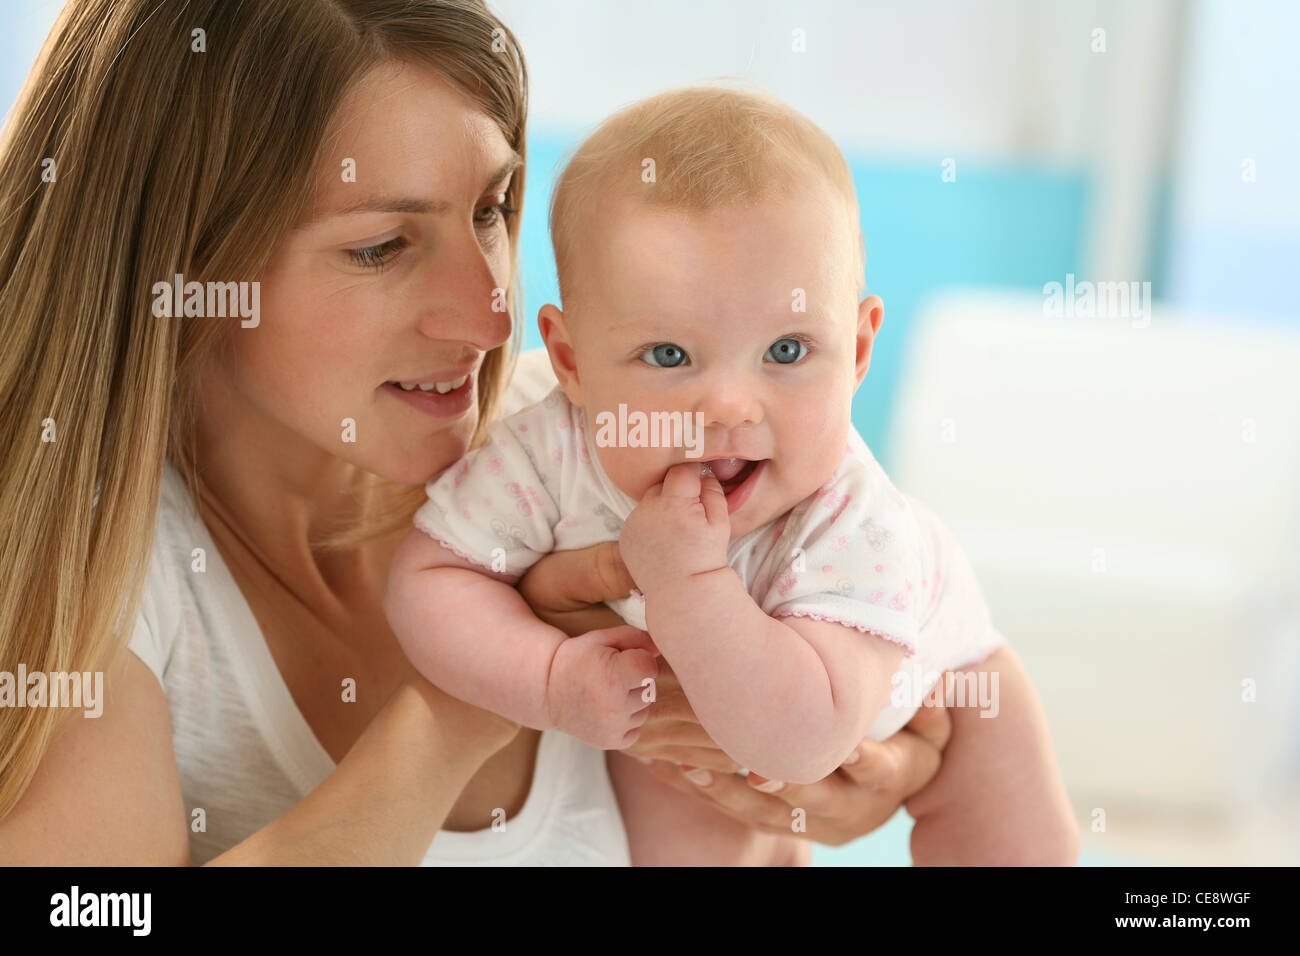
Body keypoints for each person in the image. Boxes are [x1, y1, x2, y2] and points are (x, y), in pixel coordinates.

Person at [0, 0, 1027, 866]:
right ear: (184, 265)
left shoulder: (593, 433)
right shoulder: (104, 594)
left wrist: (839, 773)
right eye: (381, 246)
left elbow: (886, 706)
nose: (490, 313)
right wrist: (468, 699)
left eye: (491, 209)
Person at [385, 85, 1079, 865]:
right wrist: (549, 678)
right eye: (669, 356)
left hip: (918, 670)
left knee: (1013, 841)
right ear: (573, 363)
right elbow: (432, 576)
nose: (730, 407)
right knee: (680, 819)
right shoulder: (550, 450)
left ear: (855, 352)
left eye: (786, 351)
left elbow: (804, 740)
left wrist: (686, 583)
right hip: (704, 699)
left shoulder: (856, 519)